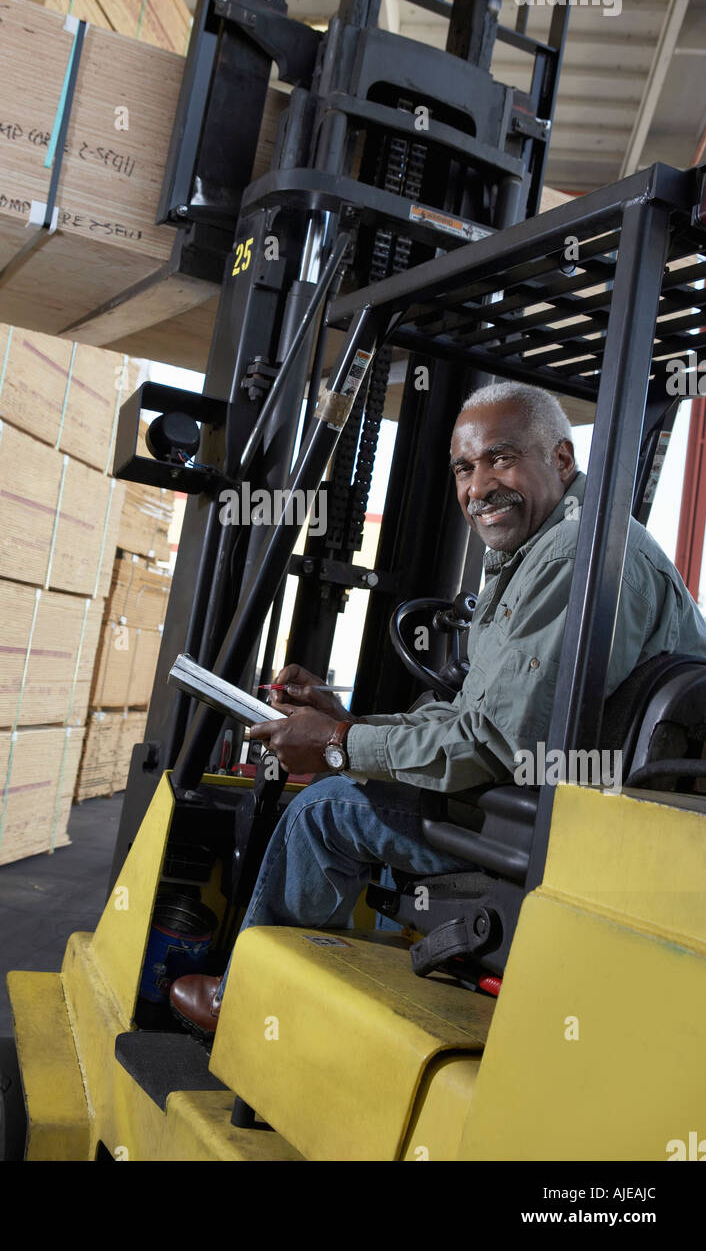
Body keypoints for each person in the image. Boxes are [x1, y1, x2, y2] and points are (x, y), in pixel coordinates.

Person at [170, 381, 706, 1039]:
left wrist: (337, 747)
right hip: (554, 808)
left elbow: (484, 744)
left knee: (325, 809)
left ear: (561, 460)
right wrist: (348, 724)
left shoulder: (572, 557)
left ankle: (247, 1007)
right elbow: (475, 718)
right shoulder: (550, 547)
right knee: (358, 778)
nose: (478, 487)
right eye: (463, 467)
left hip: (550, 833)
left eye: (500, 458)